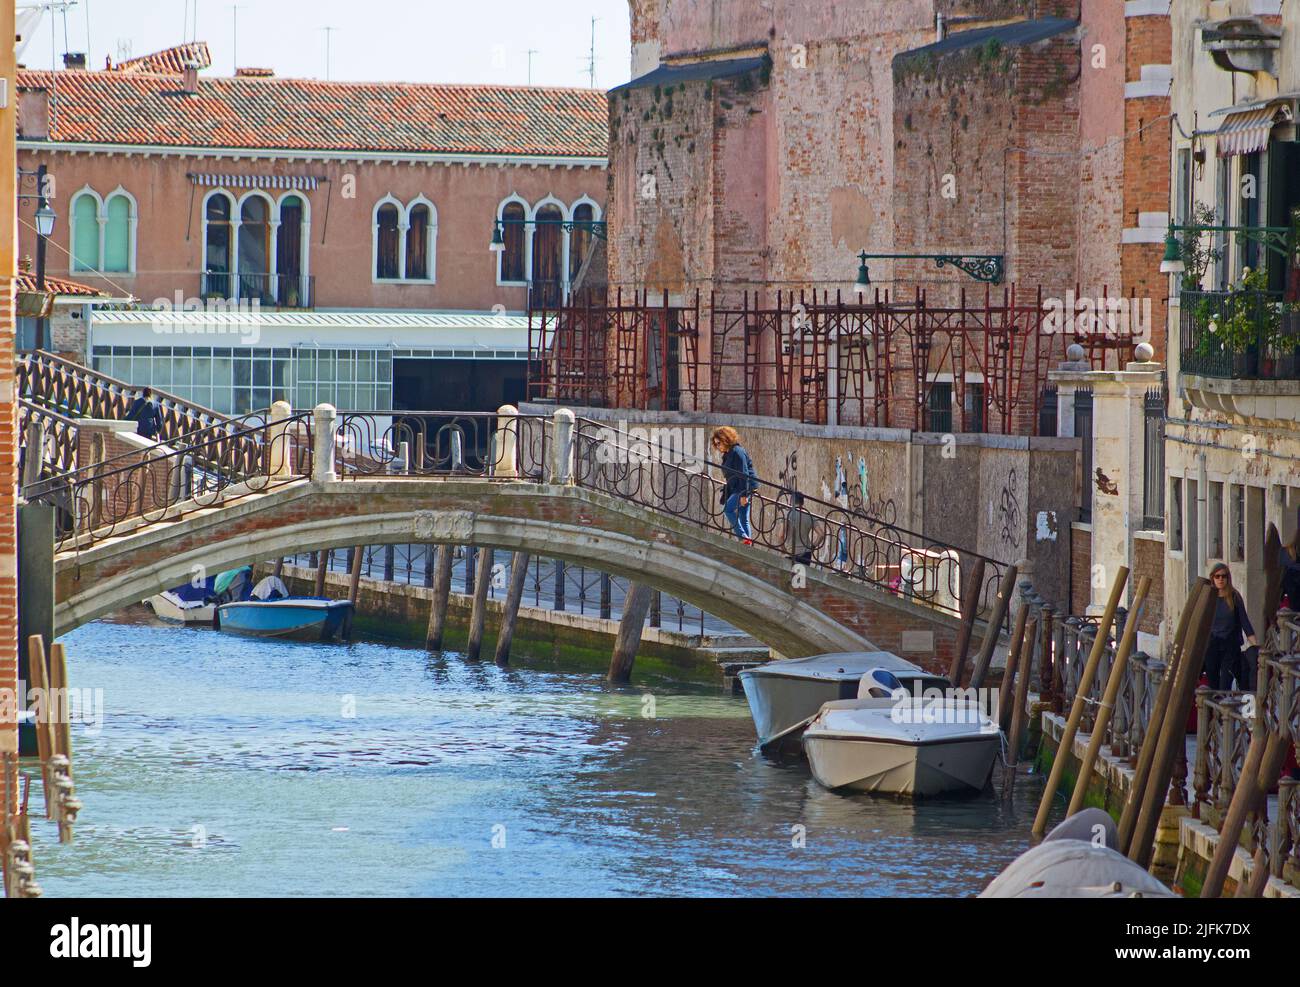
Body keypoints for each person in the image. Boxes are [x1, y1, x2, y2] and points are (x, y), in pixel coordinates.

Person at [1204, 562, 1259, 691]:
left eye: (1224, 576)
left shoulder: (1234, 597)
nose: (1220, 579)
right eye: (1217, 576)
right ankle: (1213, 710)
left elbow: (1245, 622)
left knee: (1225, 682)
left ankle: (1223, 708)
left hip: (1230, 645)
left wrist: (1256, 645)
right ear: (1212, 578)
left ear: (1228, 578)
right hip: (1212, 645)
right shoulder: (1208, 598)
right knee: (1212, 682)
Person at [712, 426, 757, 544]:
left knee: (728, 509)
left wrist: (744, 495)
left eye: (719, 443)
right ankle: (748, 545)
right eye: (715, 444)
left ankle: (743, 538)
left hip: (743, 488)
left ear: (726, 439)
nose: (717, 446)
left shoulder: (737, 452)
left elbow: (744, 473)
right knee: (743, 518)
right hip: (739, 487)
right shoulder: (728, 454)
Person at [785, 491, 818, 564]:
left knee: (789, 575)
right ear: (802, 502)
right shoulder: (809, 515)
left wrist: (783, 550)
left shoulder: (788, 514)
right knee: (803, 575)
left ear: (791, 501)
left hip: (791, 552)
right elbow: (821, 534)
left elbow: (780, 535)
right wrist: (812, 547)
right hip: (806, 553)